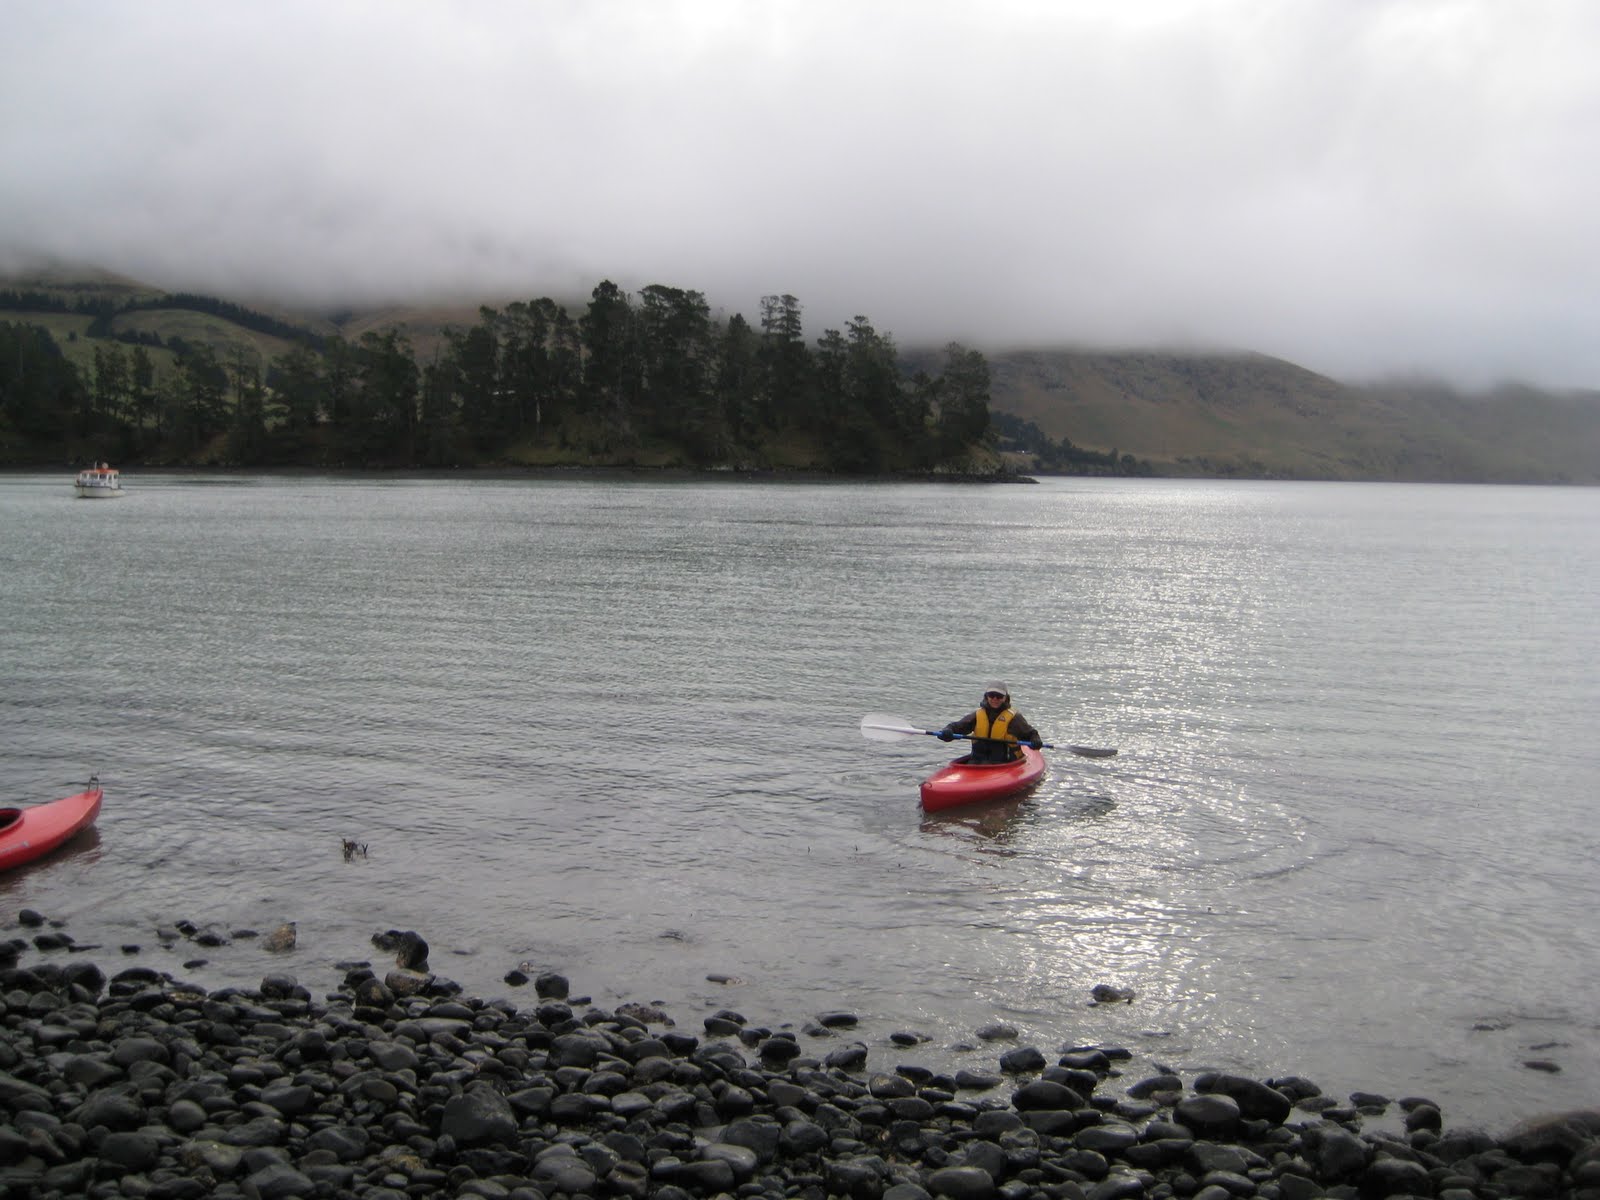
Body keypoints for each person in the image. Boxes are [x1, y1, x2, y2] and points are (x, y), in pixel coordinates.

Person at [938, 682, 1042, 764]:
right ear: (986, 697)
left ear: (1005, 698)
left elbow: (1030, 734)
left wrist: (1035, 741)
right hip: (978, 762)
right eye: (991, 695)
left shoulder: (1014, 718)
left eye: (999, 696)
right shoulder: (978, 715)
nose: (995, 699)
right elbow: (958, 727)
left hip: (1005, 763)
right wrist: (947, 731)